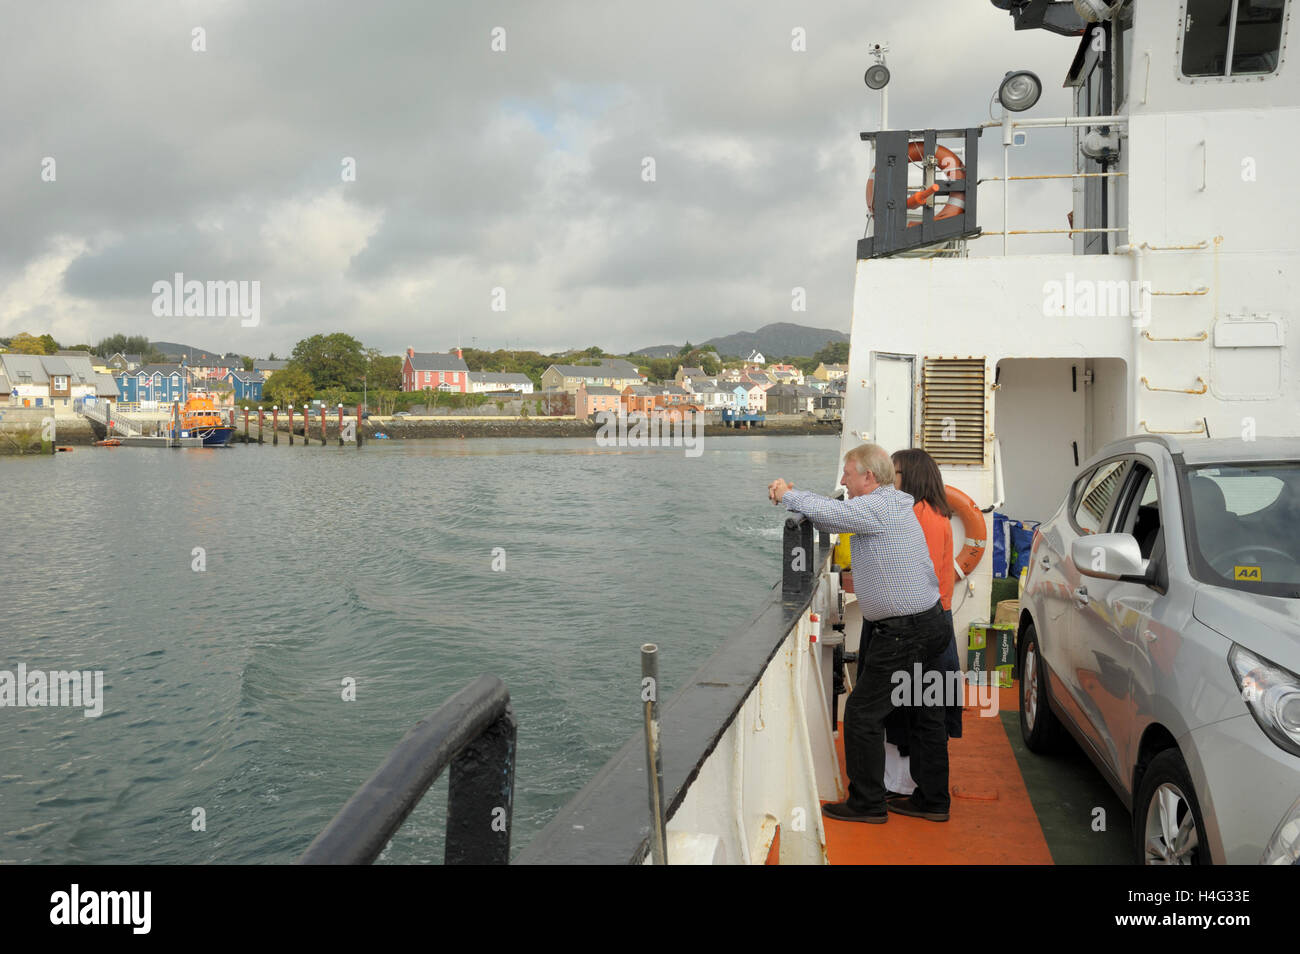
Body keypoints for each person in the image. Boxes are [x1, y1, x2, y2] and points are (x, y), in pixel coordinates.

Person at [769, 443, 951, 823]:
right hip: (930, 622)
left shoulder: (878, 506)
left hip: (905, 631)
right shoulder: (891, 503)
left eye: (847, 474)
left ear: (869, 477)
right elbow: (833, 518)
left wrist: (788, 494)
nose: (842, 480)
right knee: (924, 713)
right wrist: (801, 502)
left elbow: (834, 512)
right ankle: (933, 800)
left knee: (863, 714)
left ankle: (867, 803)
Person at [877, 449, 964, 793]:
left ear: (910, 477)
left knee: (916, 709)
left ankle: (912, 788)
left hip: (920, 625)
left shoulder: (919, 516)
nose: (890, 480)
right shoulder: (935, 513)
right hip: (935, 621)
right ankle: (926, 792)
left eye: (894, 473)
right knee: (927, 708)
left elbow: (911, 573)